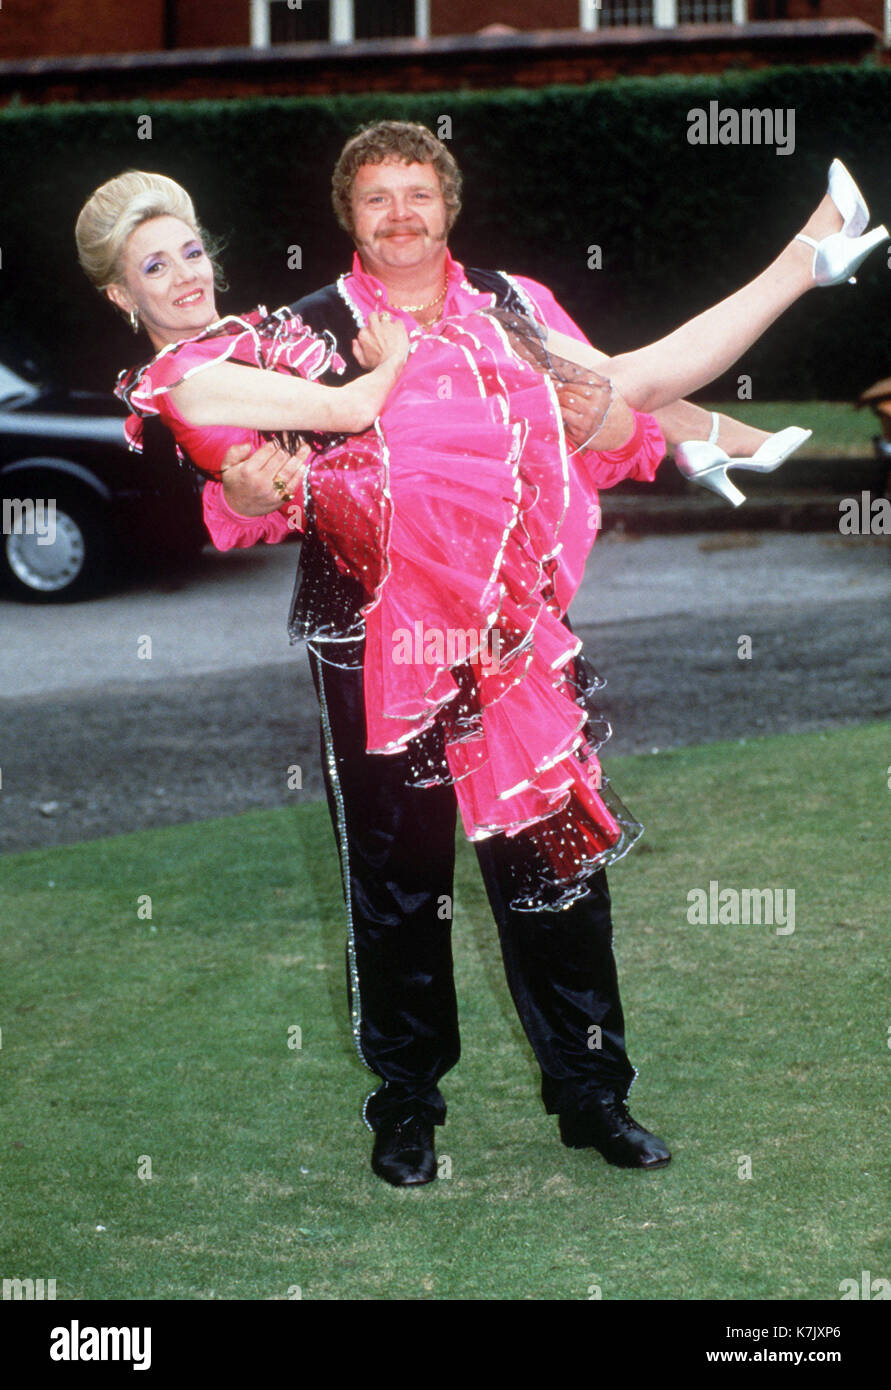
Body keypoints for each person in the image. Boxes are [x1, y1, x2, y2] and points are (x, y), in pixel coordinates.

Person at [76, 132, 886, 1187]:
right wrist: (243, 490)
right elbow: (238, 489)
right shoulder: (305, 330)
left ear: (450, 204)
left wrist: (667, 436)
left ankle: (594, 1096)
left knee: (554, 871)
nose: (401, 214)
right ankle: (407, 1105)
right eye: (378, 198)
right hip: (373, 640)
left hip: (511, 636)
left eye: (420, 193)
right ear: (349, 215)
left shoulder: (513, 301)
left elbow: (598, 417)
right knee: (398, 884)